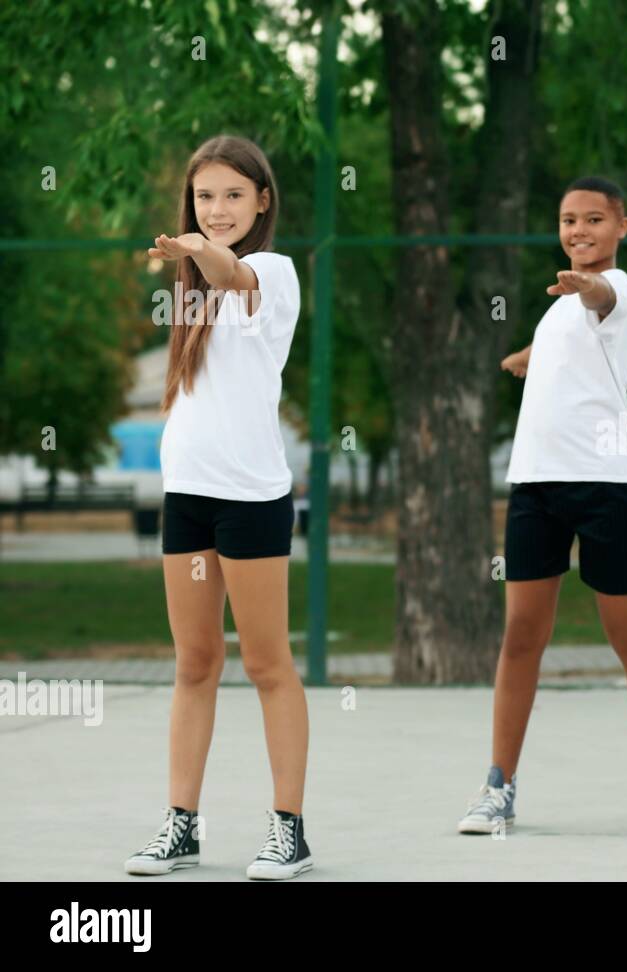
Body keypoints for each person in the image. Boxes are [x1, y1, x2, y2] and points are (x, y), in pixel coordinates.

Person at [458, 176, 627, 836]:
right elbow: (569, 343)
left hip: (606, 486)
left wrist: (584, 286)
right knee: (520, 639)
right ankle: (498, 786)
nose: (578, 231)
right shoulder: (558, 310)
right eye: (568, 219)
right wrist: (527, 356)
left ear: (623, 226)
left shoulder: (613, 289)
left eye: (594, 219)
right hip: (536, 487)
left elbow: (597, 299)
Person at [124, 135, 312, 880]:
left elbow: (234, 272)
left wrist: (201, 249)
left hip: (253, 502)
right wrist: (195, 258)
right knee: (195, 663)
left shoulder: (270, 271)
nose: (219, 207)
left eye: (234, 194)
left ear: (262, 200)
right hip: (189, 500)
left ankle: (289, 830)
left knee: (268, 664)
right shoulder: (192, 287)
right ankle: (180, 826)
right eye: (206, 196)